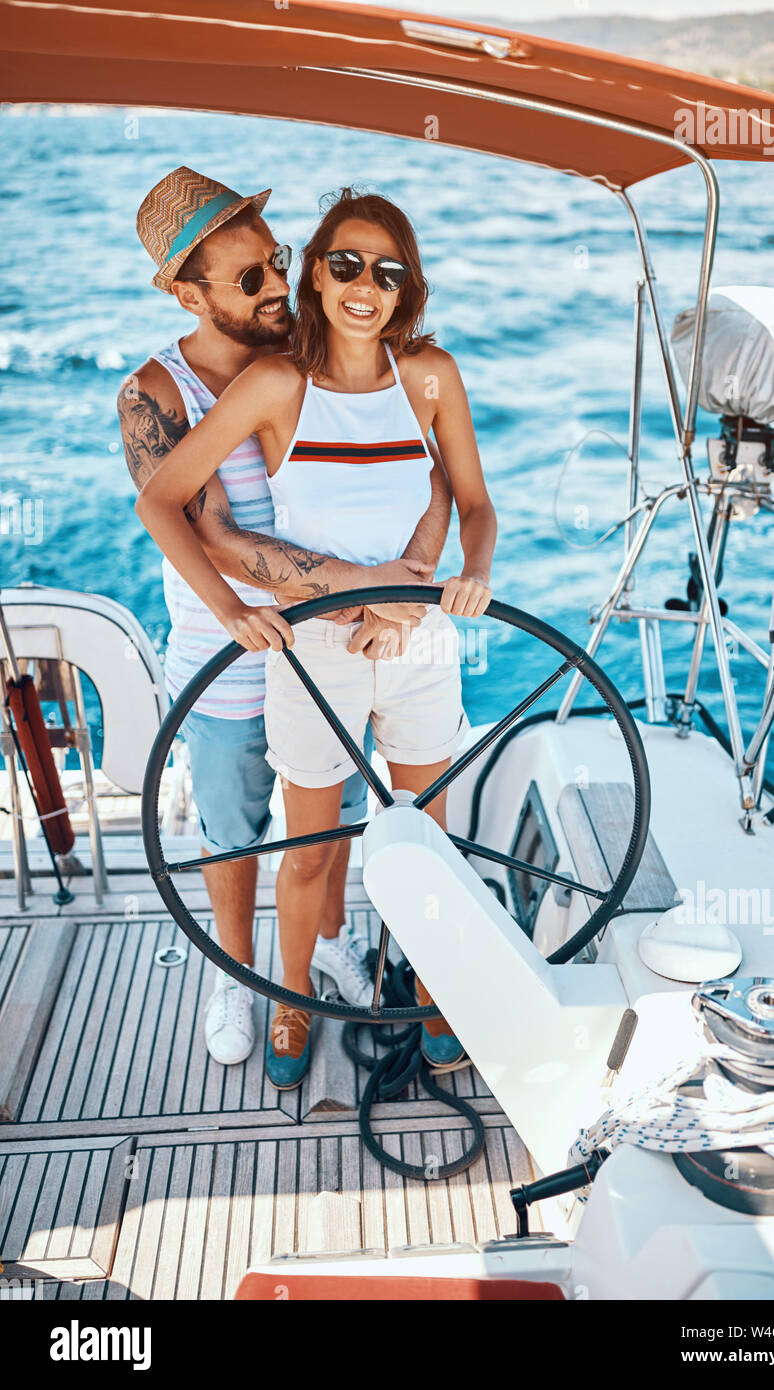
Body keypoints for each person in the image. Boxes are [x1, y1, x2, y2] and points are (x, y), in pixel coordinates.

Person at [135, 186, 497, 1089]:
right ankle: (261, 987)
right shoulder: (212, 388)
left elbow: (454, 486)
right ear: (193, 292)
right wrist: (232, 611)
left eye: (385, 268)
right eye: (339, 265)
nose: (358, 282)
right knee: (266, 840)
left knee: (385, 836)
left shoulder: (392, 366)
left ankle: (389, 970)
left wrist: (429, 580)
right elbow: (187, 514)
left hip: (387, 640)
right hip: (273, 645)